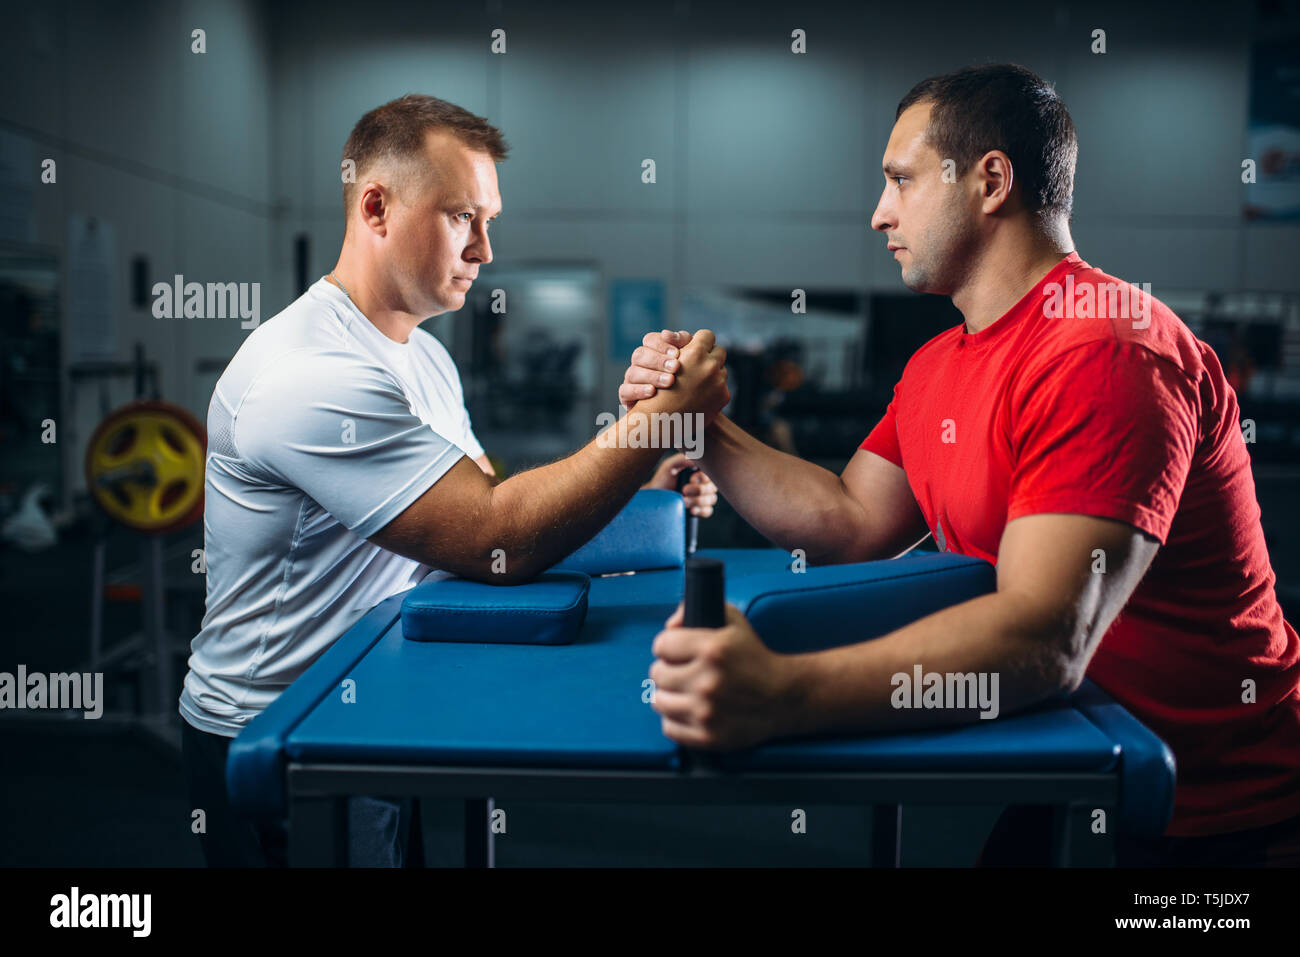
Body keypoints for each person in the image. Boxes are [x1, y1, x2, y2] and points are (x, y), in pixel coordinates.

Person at [621, 65, 1300, 867]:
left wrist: (782, 692)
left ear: (990, 181)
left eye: (900, 180)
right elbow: (850, 521)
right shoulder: (940, 362)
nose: (879, 214)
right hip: (1075, 748)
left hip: (1223, 812)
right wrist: (700, 427)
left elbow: (1047, 636)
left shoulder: (1106, 349)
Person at [180, 94, 726, 867]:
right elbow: (493, 533)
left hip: (378, 695)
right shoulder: (306, 373)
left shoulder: (426, 356)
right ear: (376, 206)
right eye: (464, 217)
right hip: (279, 730)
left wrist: (652, 487)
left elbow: (494, 510)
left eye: (490, 221)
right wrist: (653, 425)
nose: (485, 250)